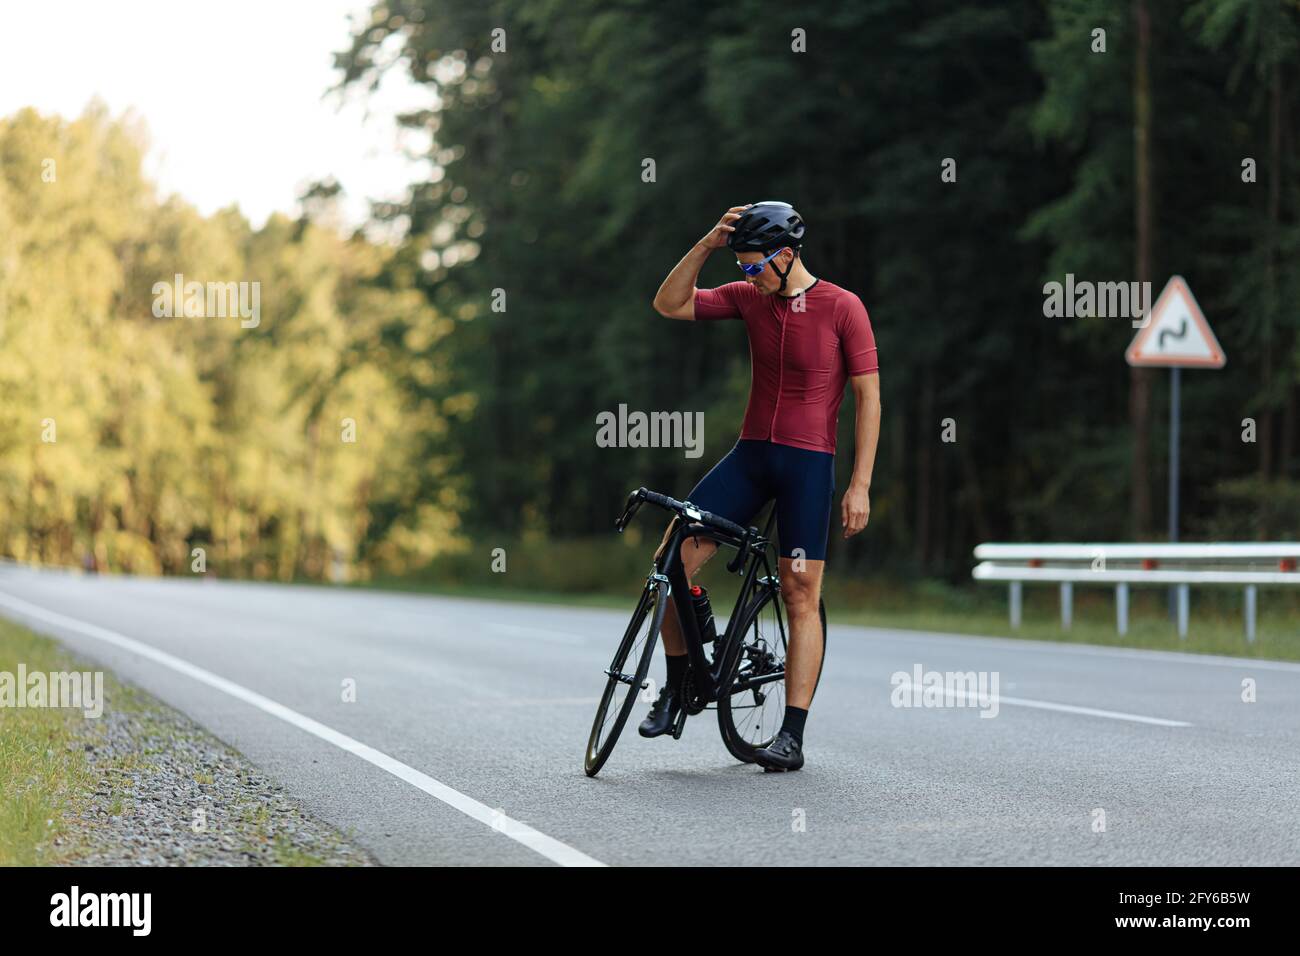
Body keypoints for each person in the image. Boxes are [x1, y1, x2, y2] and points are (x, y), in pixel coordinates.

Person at [642, 201, 881, 772]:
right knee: (669, 558)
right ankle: (680, 685)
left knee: (801, 592)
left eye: (755, 266)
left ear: (787, 255)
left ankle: (791, 735)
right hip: (750, 457)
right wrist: (707, 243)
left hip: (807, 465)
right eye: (742, 267)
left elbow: (870, 397)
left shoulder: (843, 306)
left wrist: (860, 485)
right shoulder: (749, 298)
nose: (747, 277)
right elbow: (669, 303)